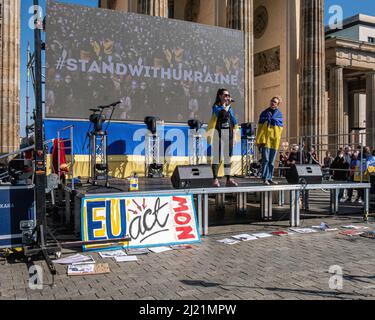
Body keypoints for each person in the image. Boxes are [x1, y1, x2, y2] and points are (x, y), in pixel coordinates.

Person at [206, 88, 240, 187]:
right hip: (218, 133)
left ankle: (228, 179)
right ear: (220, 96)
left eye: (228, 95)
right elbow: (223, 114)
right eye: (225, 95)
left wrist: (234, 135)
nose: (227, 97)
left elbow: (233, 120)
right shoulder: (216, 107)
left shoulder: (229, 108)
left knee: (228, 158)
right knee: (217, 157)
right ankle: (215, 179)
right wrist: (228, 105)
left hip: (228, 134)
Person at [256, 96, 284, 185]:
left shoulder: (279, 115)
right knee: (266, 160)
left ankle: (270, 177)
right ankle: (264, 178)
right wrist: (259, 140)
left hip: (274, 141)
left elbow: (280, 128)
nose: (273, 103)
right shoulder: (264, 113)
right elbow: (260, 128)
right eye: (272, 101)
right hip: (266, 140)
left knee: (272, 161)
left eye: (275, 102)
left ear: (278, 104)